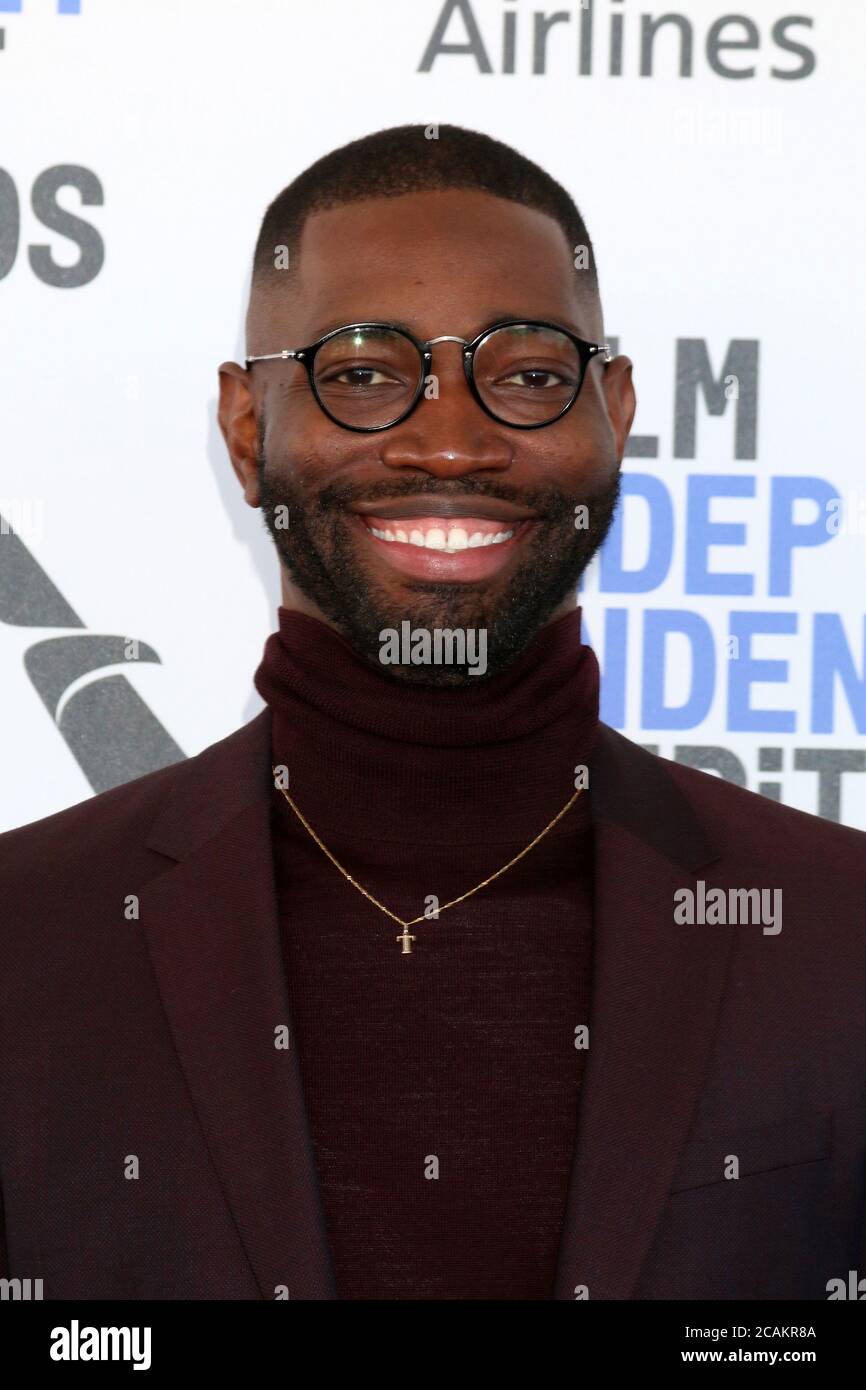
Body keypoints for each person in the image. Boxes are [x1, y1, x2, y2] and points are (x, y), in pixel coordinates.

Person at [0, 124, 863, 1302]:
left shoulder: (835, 931)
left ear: (611, 412)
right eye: (360, 371)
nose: (450, 438)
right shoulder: (27, 936)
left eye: (523, 372)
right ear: (248, 429)